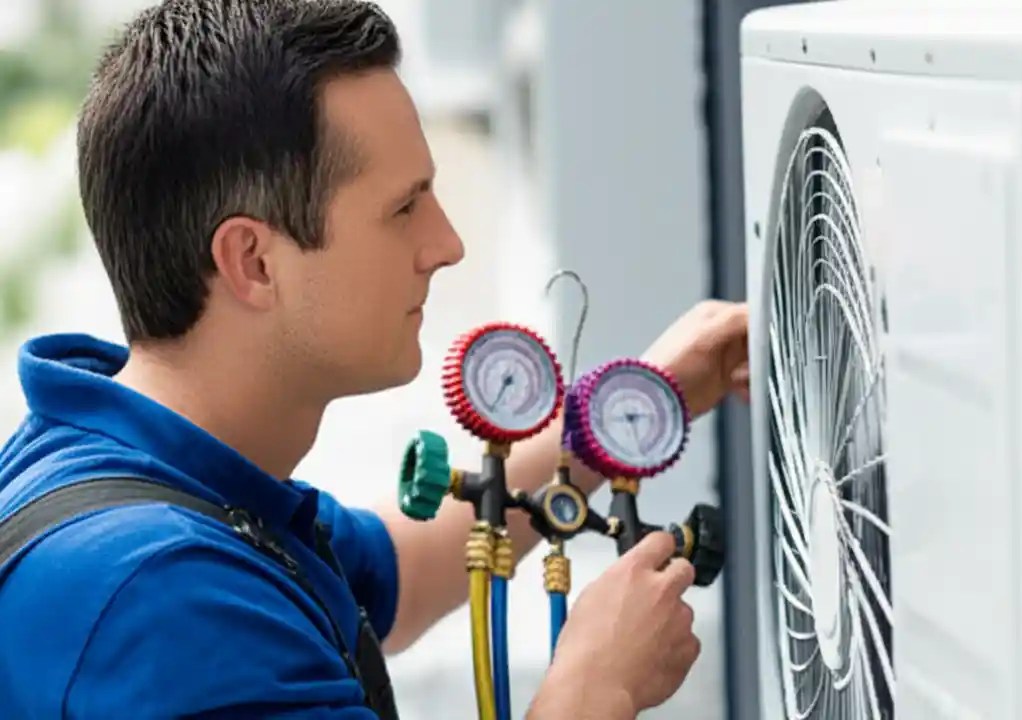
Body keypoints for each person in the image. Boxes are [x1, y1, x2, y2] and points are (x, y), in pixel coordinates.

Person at [0, 1, 750, 718]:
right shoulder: (162, 598)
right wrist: (596, 689)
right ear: (253, 261)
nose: (446, 244)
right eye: (403, 208)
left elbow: (404, 568)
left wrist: (649, 398)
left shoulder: (146, 478)